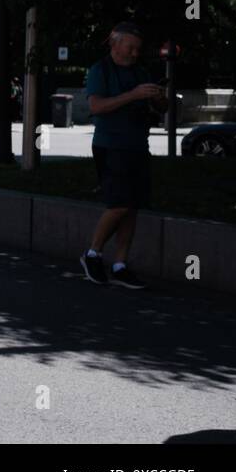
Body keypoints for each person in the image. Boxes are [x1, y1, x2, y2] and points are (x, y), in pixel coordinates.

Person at [79, 22, 165, 290]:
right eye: (131, 47)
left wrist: (159, 98)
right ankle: (92, 254)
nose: (135, 53)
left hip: (138, 145)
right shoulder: (100, 70)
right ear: (115, 44)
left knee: (132, 207)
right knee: (119, 203)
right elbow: (96, 106)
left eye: (138, 49)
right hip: (110, 145)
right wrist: (133, 95)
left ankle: (120, 265)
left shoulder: (141, 72)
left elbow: (161, 108)